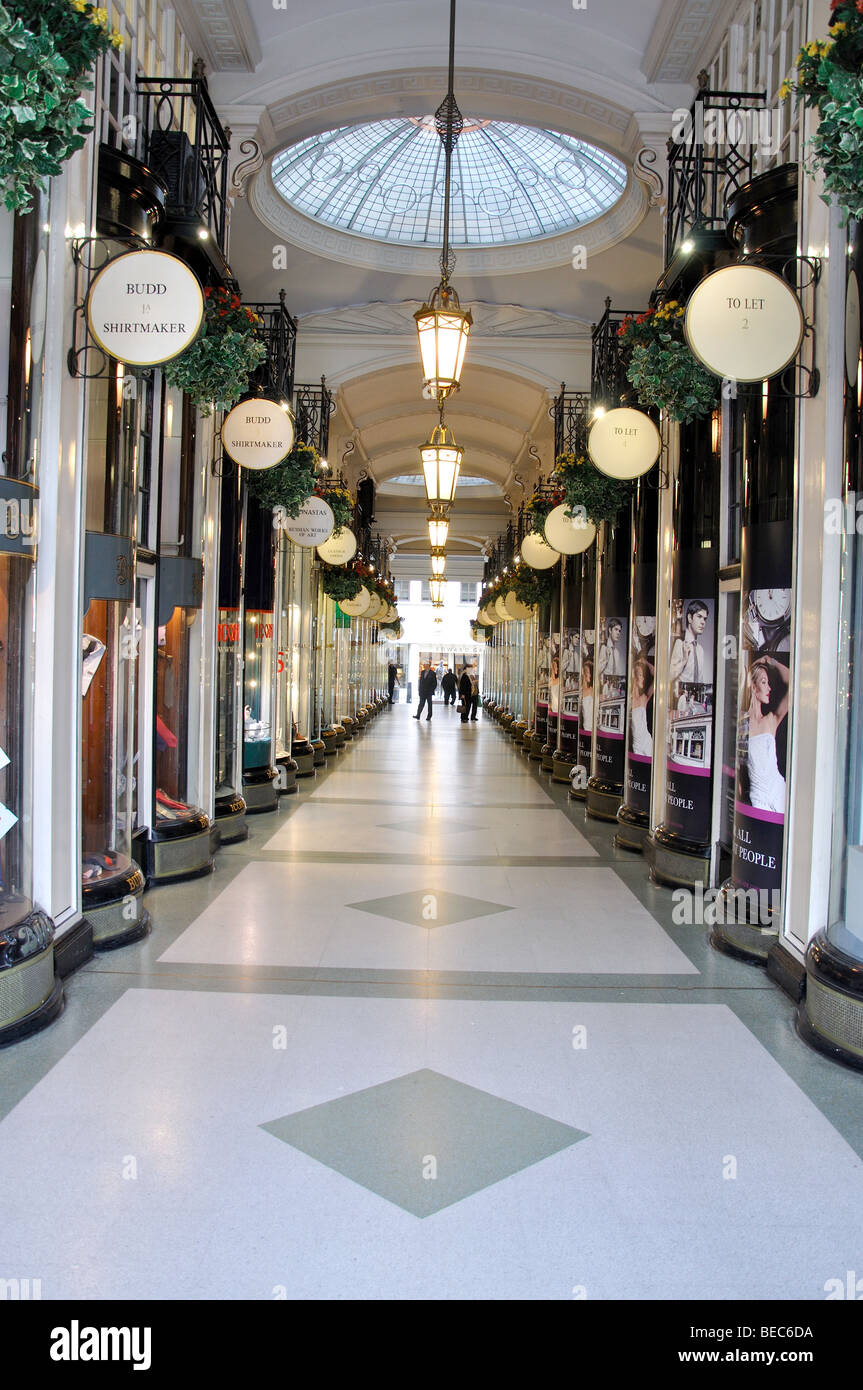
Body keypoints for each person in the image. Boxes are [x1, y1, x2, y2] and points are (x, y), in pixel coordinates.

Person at [744, 657, 789, 812]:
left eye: (768, 683)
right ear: (753, 687)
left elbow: (794, 683)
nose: (769, 688)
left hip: (778, 791)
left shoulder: (771, 719)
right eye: (764, 682)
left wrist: (771, 661)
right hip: (758, 797)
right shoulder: (741, 725)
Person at [670, 600, 709, 685]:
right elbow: (668, 676)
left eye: (705, 619)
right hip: (680, 696)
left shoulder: (700, 650)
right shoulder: (679, 643)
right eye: (699, 616)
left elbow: (700, 680)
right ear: (690, 618)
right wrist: (684, 660)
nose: (703, 622)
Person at [630, 658, 654, 756]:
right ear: (634, 677)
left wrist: (646, 663)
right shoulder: (629, 700)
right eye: (640, 675)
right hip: (636, 745)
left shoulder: (644, 698)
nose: (643, 678)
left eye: (643, 675)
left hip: (647, 743)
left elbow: (658, 676)